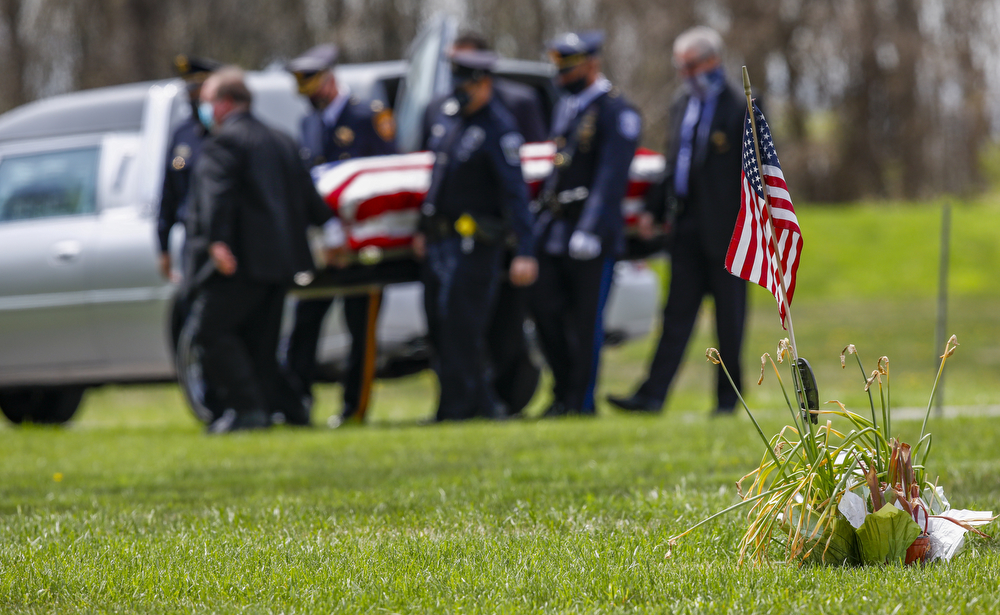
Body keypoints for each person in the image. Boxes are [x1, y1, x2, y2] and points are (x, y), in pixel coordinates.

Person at [607, 26, 746, 415]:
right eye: (680, 67)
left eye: (690, 66)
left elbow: (757, 175)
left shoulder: (741, 105)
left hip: (727, 233)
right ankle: (652, 395)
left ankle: (727, 401)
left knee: (729, 320)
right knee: (676, 316)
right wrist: (653, 209)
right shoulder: (682, 102)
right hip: (684, 227)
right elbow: (674, 163)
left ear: (712, 61)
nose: (685, 74)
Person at [188, 67, 333, 433]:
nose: (202, 110)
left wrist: (216, 242)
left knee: (210, 332)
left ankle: (249, 408)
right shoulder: (281, 139)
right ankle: (286, 406)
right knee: (261, 343)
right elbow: (311, 200)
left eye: (205, 101)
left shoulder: (224, 143)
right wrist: (329, 231)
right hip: (281, 264)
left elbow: (215, 196)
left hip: (238, 262)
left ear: (223, 105)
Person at [421, 32, 548, 416]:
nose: (459, 91)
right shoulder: (450, 122)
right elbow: (437, 183)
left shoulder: (498, 128)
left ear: (484, 83)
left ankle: (479, 404)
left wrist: (525, 250)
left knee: (464, 329)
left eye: (467, 84)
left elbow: (516, 194)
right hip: (441, 244)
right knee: (441, 328)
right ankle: (452, 405)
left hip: (476, 245)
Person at [283, 44, 397, 427]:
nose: (310, 97)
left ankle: (354, 408)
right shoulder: (309, 123)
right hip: (322, 246)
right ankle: (295, 404)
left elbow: (385, 177)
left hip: (362, 245)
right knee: (304, 322)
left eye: (313, 87)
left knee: (360, 328)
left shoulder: (368, 116)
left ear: (330, 80)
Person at [530, 30, 641, 417]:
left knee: (584, 322)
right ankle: (562, 390)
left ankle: (581, 401)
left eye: (570, 68)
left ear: (591, 65)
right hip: (558, 229)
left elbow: (611, 178)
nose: (562, 76)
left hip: (592, 234)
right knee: (544, 308)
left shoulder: (616, 112)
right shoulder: (569, 107)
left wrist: (590, 229)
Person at [158, 54, 219, 346]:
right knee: (191, 310)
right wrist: (162, 244)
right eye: (189, 90)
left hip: (223, 235)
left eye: (198, 89)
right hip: (191, 239)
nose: (192, 96)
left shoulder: (224, 132)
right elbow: (168, 192)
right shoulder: (182, 134)